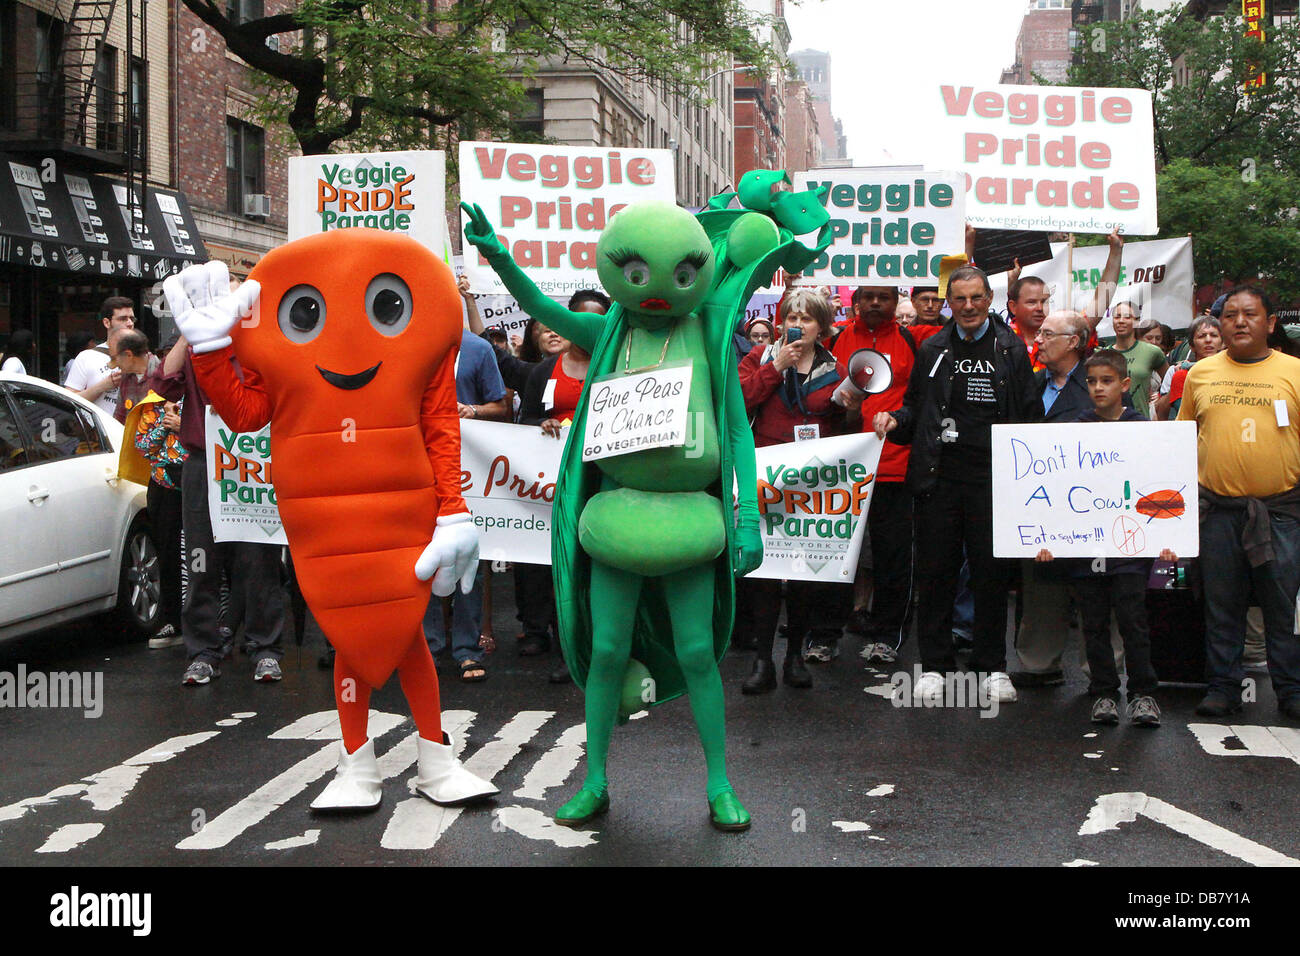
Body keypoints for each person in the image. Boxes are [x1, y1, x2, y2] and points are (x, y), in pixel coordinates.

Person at [874, 265, 1041, 704]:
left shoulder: (1010, 348)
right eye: (959, 299)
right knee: (935, 574)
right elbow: (915, 408)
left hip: (993, 480)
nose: (967, 306)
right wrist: (895, 420)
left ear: (990, 299)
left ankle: (992, 668)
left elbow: (1029, 413)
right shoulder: (932, 347)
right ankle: (935, 666)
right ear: (949, 302)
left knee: (991, 576)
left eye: (976, 298)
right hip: (938, 478)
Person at [1177, 286, 1300, 721]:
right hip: (1218, 512)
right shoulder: (1200, 374)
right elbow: (1181, 439)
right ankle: (1223, 688)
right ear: (1220, 323)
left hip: (1281, 513)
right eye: (1230, 315)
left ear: (1270, 323)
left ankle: (1292, 691)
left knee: (1281, 607)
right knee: (1221, 604)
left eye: (1250, 314)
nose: (1240, 322)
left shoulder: (1295, 371)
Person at [1034, 349, 1163, 726]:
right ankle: (1103, 692)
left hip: (1130, 549)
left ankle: (1143, 694)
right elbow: (1057, 489)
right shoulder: (1075, 429)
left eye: (1106, 381)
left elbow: (1160, 484)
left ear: (1125, 384)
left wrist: (1171, 536)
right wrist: (1047, 538)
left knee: (1132, 619)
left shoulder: (1141, 429)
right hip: (1085, 545)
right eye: (1091, 381)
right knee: (1092, 622)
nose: (1097, 388)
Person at [152, 330, 288, 685]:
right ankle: (203, 652)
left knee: (260, 559)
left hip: (255, 461)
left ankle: (265, 649)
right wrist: (186, 332)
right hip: (203, 462)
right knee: (200, 561)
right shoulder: (197, 345)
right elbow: (163, 384)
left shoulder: (264, 344)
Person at [738, 288, 847, 692]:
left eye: (807, 318)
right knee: (765, 571)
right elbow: (741, 401)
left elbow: (841, 426)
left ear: (822, 327)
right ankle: (762, 660)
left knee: (804, 573)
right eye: (791, 316)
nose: (796, 324)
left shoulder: (834, 368)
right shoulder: (760, 357)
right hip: (767, 479)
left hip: (811, 485)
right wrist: (775, 367)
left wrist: (851, 406)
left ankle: (794, 656)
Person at [833, 285, 943, 663]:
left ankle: (889, 635)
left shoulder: (916, 340)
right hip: (844, 469)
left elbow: (960, 317)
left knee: (894, 557)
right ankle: (824, 634)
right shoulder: (838, 339)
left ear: (898, 303)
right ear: (856, 302)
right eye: (869, 297)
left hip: (895, 467)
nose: (877, 303)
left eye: (885, 297)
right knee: (835, 553)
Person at [424, 317, 509, 682]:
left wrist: (470, 411)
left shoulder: (477, 347)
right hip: (419, 467)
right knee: (421, 560)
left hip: (467, 470)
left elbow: (500, 405)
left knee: (466, 560)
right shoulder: (408, 345)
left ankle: (466, 649)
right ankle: (425, 648)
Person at [134, 384, 188, 649]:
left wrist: (182, 426)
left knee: (211, 553)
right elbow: (142, 446)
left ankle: (220, 621)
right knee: (167, 553)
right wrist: (165, 425)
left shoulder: (201, 401)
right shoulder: (151, 407)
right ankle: (173, 619)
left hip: (200, 481)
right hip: (163, 485)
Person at [64, 296, 136, 415]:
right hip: (99, 431)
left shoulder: (143, 358)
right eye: (123, 319)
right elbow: (69, 401)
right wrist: (105, 385)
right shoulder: (87, 357)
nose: (129, 323)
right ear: (107, 323)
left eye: (132, 319)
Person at [1155, 315, 1222, 421]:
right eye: (1202, 336)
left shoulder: (1230, 371)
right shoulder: (1176, 371)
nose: (1208, 340)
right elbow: (1160, 414)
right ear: (1191, 345)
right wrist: (1177, 385)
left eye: (1214, 335)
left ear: (1222, 343)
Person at [1108, 301, 1167, 420]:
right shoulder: (1103, 355)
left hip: (1141, 422)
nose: (1121, 321)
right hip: (1110, 423)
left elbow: (1170, 382)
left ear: (1136, 321)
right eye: (1117, 317)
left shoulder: (1152, 352)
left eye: (1127, 317)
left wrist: (1161, 400)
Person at [107, 329, 160, 424]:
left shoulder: (163, 374)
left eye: (114, 358)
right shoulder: (126, 378)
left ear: (128, 354)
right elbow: (120, 419)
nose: (112, 365)